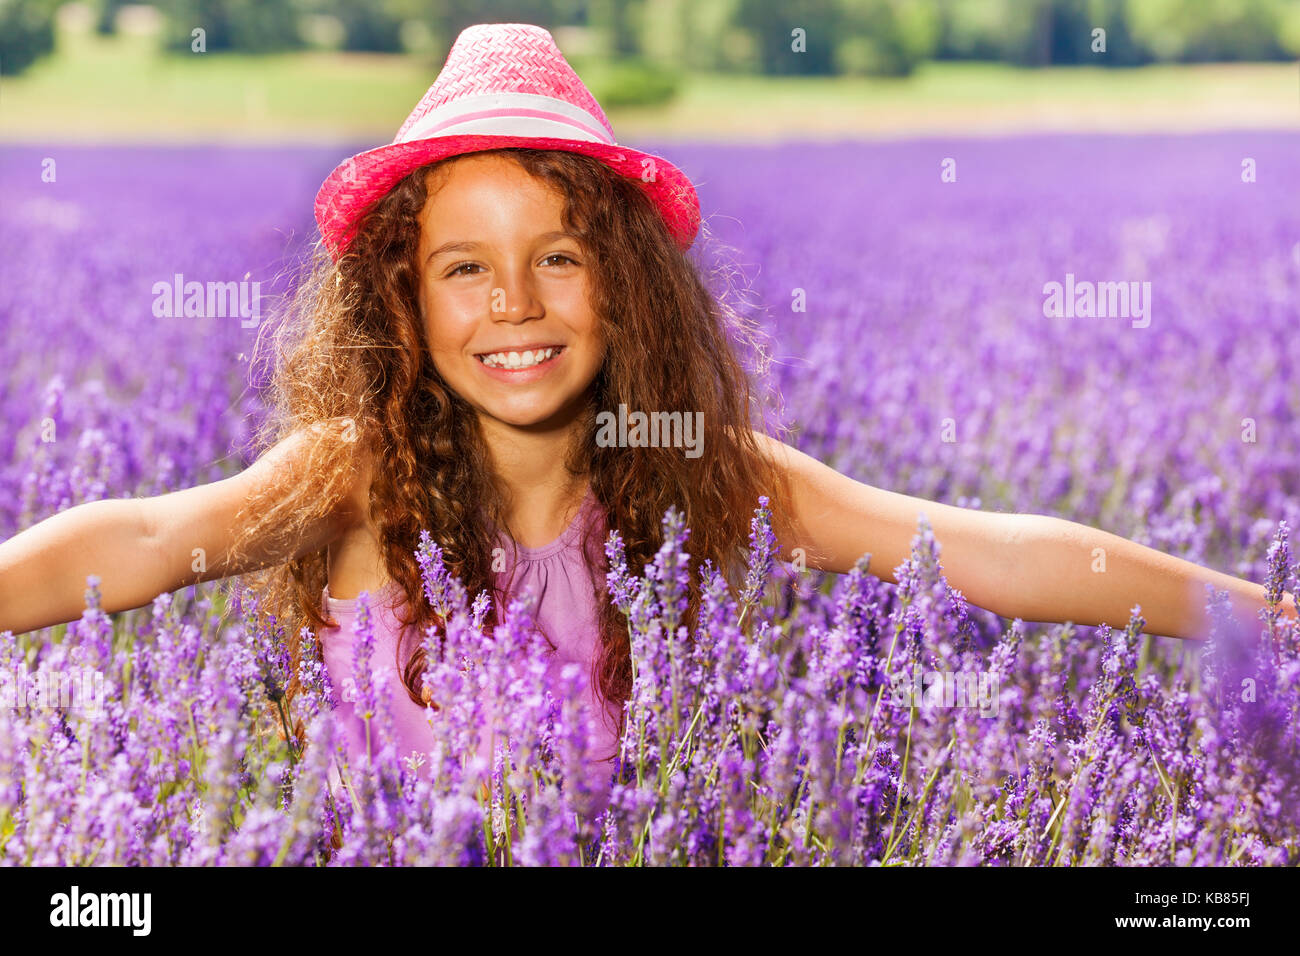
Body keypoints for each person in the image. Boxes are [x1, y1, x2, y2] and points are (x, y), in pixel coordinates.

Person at [0, 24, 1293, 809]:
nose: (515, 301)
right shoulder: (352, 474)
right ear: (400, 295)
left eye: (561, 256)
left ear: (630, 285)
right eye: (465, 267)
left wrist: (1252, 619)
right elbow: (140, 540)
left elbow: (983, 547)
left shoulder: (692, 477)